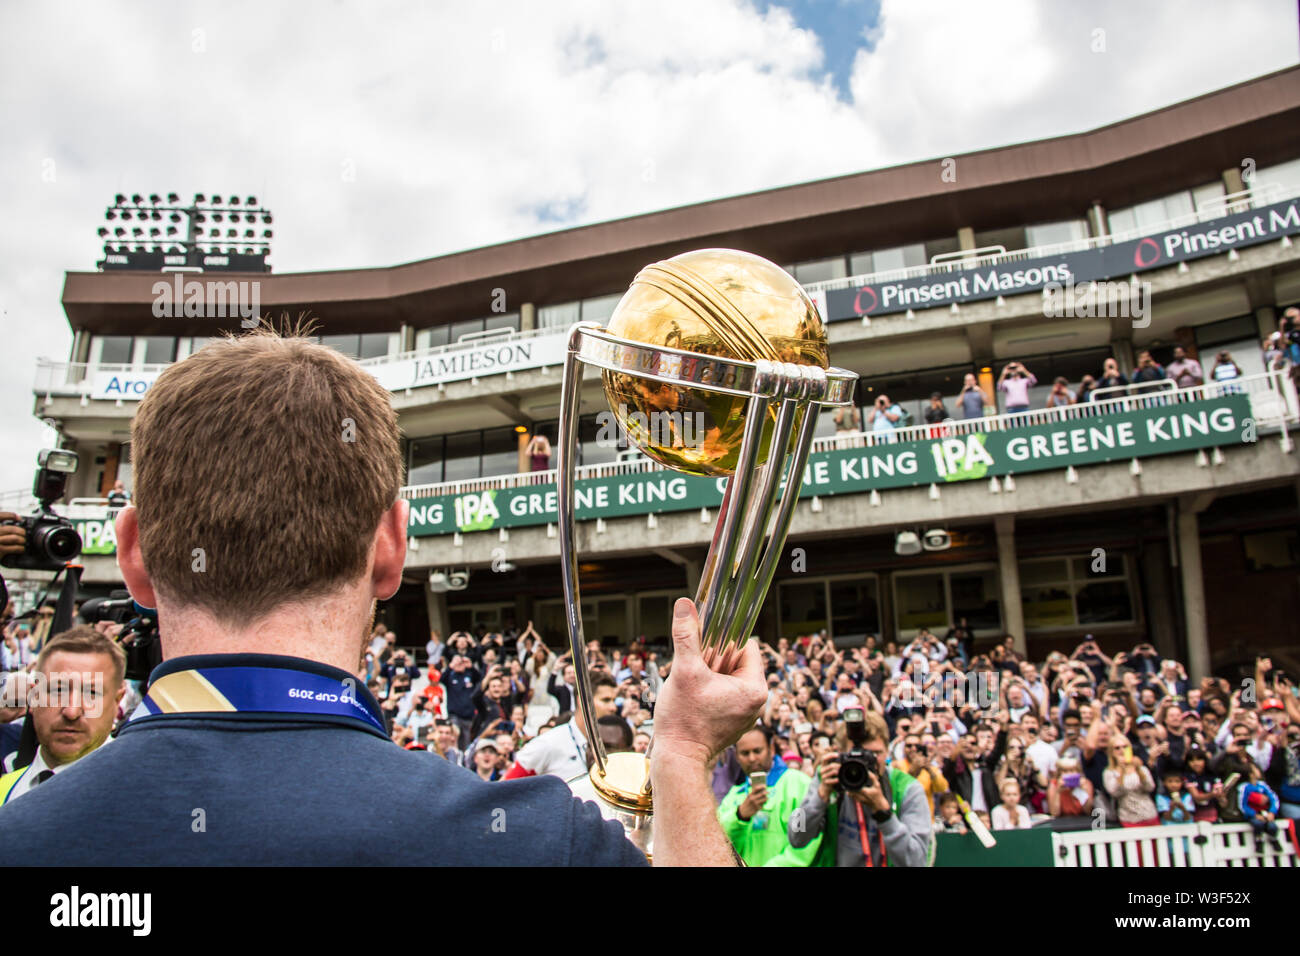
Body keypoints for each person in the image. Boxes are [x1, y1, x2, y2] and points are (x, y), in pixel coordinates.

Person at [0, 332, 767, 867]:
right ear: (392, 547)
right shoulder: (534, 842)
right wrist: (682, 755)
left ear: (131, 554)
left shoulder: (21, 841)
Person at [788, 708, 931, 867]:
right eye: (857, 755)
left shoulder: (907, 788)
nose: (867, 764)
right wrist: (820, 797)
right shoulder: (830, 777)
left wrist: (884, 814)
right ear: (841, 754)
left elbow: (917, 861)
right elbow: (795, 835)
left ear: (887, 752)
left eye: (875, 754)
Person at [0, 627, 126, 805]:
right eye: (58, 690)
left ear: (117, 700)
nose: (72, 711)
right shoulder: (4, 790)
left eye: (91, 692)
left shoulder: (142, 795)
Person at [718, 724, 821, 866]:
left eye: (757, 751)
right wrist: (741, 816)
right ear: (736, 756)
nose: (752, 758)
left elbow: (807, 843)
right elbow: (718, 843)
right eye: (745, 753)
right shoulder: (734, 795)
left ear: (771, 749)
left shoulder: (798, 783)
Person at [505, 670, 618, 780]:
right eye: (606, 700)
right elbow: (504, 789)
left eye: (614, 700)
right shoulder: (549, 743)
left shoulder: (614, 745)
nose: (613, 707)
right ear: (583, 700)